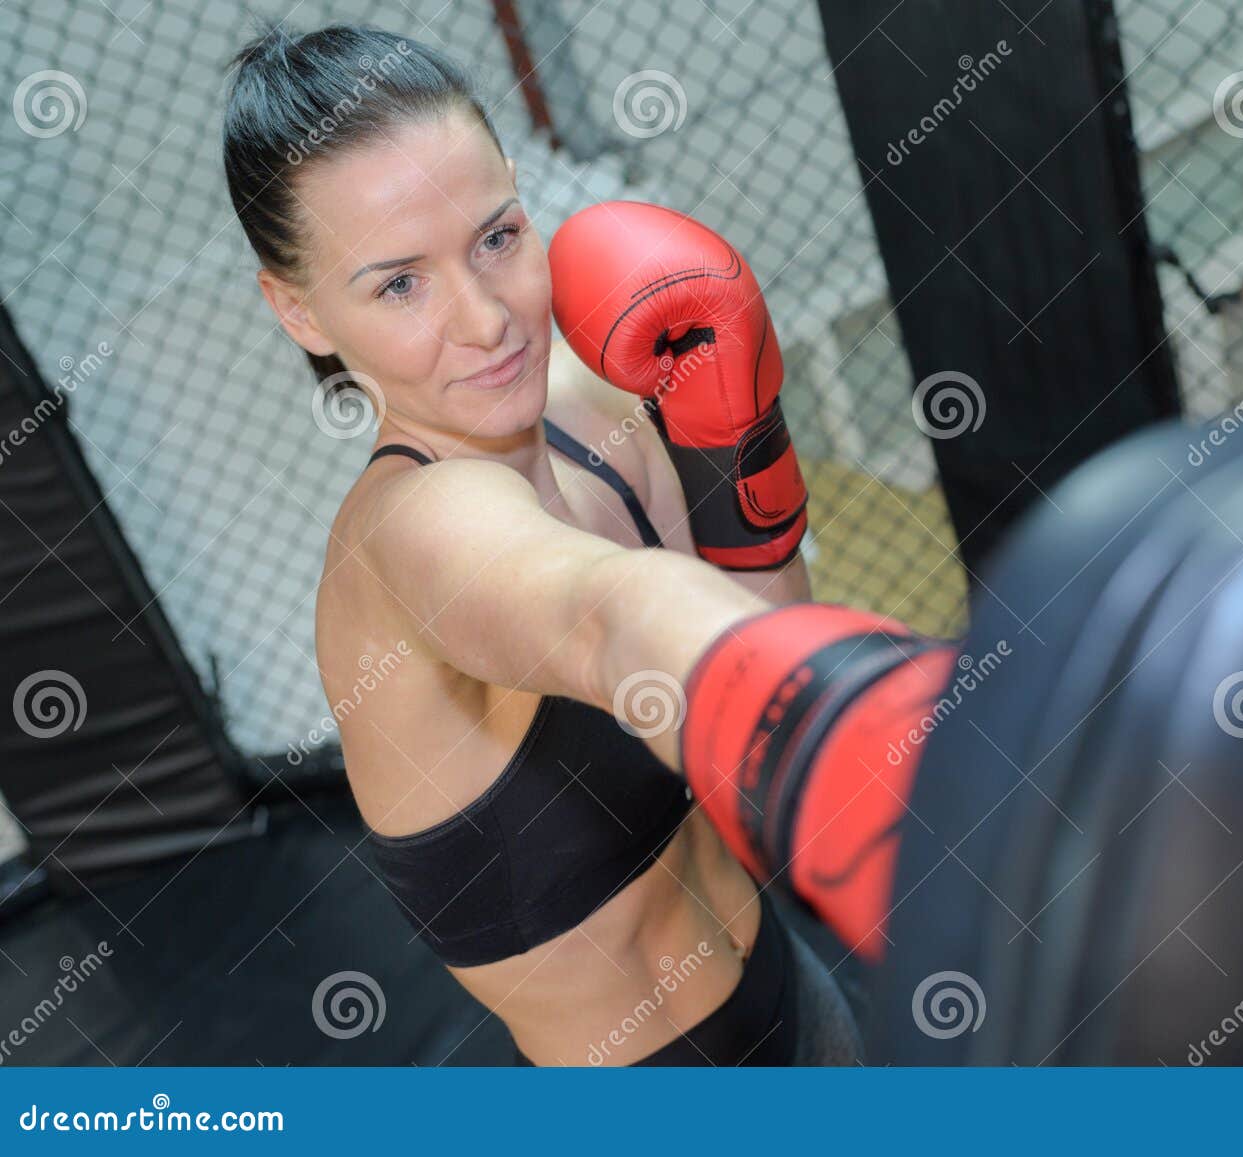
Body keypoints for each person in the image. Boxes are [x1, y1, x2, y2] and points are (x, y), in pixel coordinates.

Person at [221, 22, 863, 1066]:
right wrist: (860, 702)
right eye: (399, 283)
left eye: (496, 236)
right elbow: (599, 613)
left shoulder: (596, 401)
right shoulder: (408, 533)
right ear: (296, 309)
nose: (486, 319)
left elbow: (759, 653)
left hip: (803, 1004)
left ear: (521, 193)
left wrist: (738, 445)